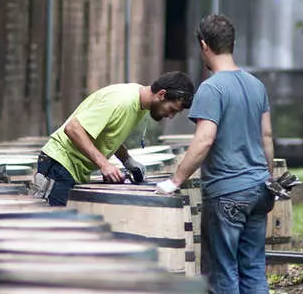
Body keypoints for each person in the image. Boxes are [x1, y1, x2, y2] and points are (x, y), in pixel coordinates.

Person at [169, 14, 277, 294]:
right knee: (253, 268)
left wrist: (175, 180)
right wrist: (269, 177)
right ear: (232, 43)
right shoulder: (256, 85)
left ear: (204, 45)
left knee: (224, 270)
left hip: (227, 193)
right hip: (259, 187)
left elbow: (204, 140)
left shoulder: (212, 88)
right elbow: (267, 138)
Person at [34, 72, 195, 206]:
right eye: (172, 109)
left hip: (73, 169)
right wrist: (104, 164)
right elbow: (73, 128)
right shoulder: (121, 101)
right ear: (162, 94)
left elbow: (108, 132)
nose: (171, 116)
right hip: (59, 164)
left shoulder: (141, 105)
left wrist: (127, 160)